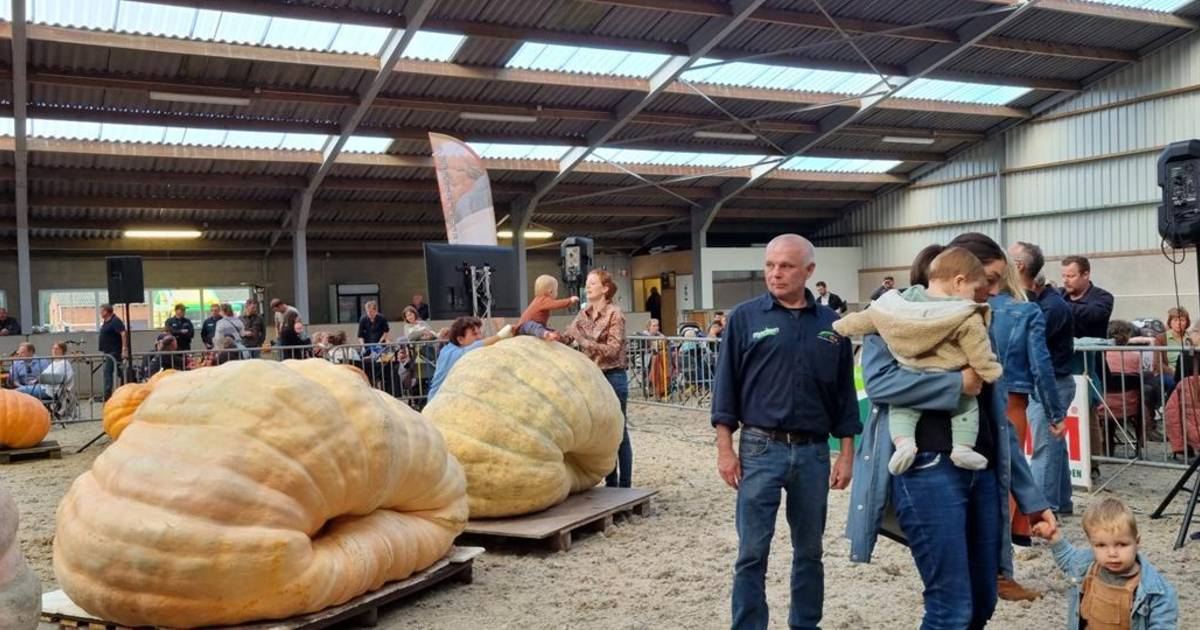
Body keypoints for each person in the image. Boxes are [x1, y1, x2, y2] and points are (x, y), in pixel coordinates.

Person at [846, 234, 1056, 630]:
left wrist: (1031, 498)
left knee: (982, 601)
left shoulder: (976, 318)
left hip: (982, 469)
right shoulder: (893, 312)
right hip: (927, 468)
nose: (994, 292)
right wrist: (955, 386)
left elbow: (998, 420)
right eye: (990, 281)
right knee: (950, 607)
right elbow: (880, 384)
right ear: (960, 275)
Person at [711, 234, 859, 630]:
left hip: (813, 454)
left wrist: (846, 453)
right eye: (770, 265)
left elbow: (845, 394)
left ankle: (805, 624)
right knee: (751, 553)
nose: (776, 274)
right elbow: (725, 386)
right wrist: (726, 449)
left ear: (809, 271)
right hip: (759, 448)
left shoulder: (834, 326)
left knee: (809, 551)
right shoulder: (744, 317)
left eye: (787, 266)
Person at [834, 247, 1002, 475]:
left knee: (901, 410)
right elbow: (879, 385)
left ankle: (903, 444)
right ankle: (962, 448)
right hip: (933, 457)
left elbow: (867, 318)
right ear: (959, 281)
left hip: (908, 367)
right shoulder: (967, 314)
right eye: (983, 284)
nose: (992, 292)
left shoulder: (892, 308)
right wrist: (973, 378)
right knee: (966, 406)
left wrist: (841, 326)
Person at [1032, 498, 1178, 630]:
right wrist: (1053, 536)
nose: (1112, 553)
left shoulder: (1156, 591)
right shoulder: (1087, 565)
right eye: (1101, 545)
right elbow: (1068, 559)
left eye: (1121, 544)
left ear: (1137, 542)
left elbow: (1163, 624)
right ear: (1091, 544)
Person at [1011, 241, 1078, 518]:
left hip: (1052, 384)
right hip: (1054, 382)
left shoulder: (1050, 309)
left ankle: (1041, 510)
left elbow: (1034, 353)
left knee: (1043, 450)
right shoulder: (1046, 304)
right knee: (1054, 449)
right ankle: (1061, 502)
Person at [566, 270, 633, 488]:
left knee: (619, 432)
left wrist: (583, 343)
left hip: (613, 377)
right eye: (587, 283)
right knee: (603, 432)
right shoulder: (583, 314)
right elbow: (567, 335)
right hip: (593, 379)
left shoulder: (615, 314)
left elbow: (613, 350)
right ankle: (610, 482)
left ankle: (624, 486)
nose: (588, 286)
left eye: (593, 283)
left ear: (605, 288)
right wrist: (538, 330)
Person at [427, 316, 512, 400]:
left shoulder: (464, 351)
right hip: (437, 401)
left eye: (480, 333)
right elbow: (473, 348)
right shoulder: (450, 353)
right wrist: (499, 336)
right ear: (460, 339)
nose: (479, 337)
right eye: (474, 334)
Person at [1060, 255, 1114, 340]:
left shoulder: (1103, 297)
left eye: (1071, 276)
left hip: (1090, 352)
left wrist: (1058, 306)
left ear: (1085, 275)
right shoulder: (1058, 294)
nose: (1065, 281)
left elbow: (1093, 314)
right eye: (1063, 276)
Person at [517, 275, 578, 342]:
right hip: (524, 327)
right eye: (556, 290)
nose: (557, 292)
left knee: (551, 330)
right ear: (551, 291)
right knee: (533, 326)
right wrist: (570, 300)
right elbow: (556, 304)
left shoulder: (540, 300)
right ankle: (546, 334)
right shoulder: (542, 300)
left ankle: (563, 339)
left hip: (537, 326)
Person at [98, 304, 126, 401]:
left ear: (106, 311)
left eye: (101, 311)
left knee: (108, 372)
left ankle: (107, 395)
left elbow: (123, 333)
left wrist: (124, 349)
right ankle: (127, 384)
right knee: (120, 372)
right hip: (108, 351)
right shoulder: (106, 322)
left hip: (114, 351)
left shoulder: (115, 320)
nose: (100, 313)